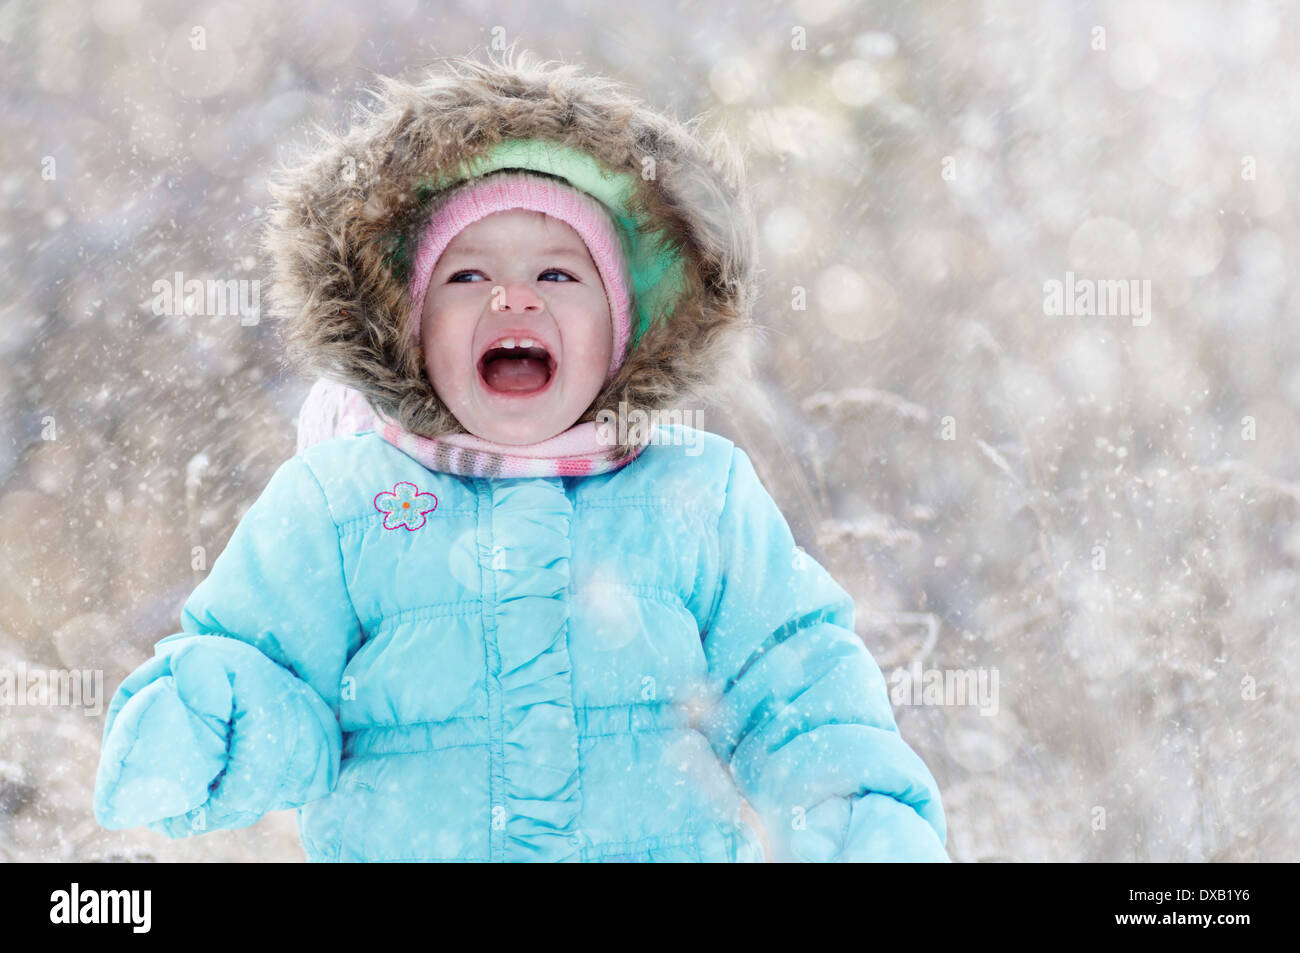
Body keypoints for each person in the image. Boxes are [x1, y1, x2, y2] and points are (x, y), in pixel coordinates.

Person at [92, 47, 949, 862]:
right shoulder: (344, 499)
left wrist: (861, 822)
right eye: (465, 278)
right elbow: (281, 683)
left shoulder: (698, 496)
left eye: (558, 275)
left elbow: (798, 690)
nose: (512, 297)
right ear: (408, 325)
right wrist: (215, 716)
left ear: (624, 333)